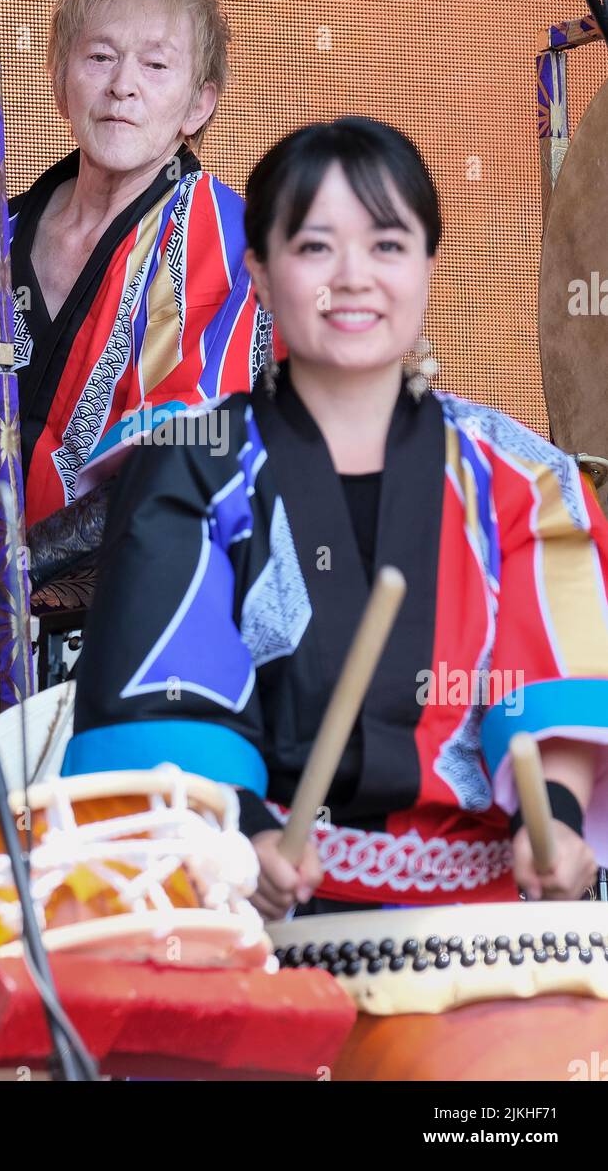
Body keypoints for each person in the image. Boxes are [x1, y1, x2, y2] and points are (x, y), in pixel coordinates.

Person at [62, 117, 608, 919]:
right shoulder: (193, 463)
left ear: (428, 263)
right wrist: (245, 836)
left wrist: (554, 822)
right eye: (316, 247)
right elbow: (166, 688)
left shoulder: (521, 478)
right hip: (255, 903)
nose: (352, 277)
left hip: (488, 920)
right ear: (258, 268)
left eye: (389, 246)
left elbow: (556, 674)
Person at [0, 0, 274, 631]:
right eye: (99, 57)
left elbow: (188, 460)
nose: (123, 85)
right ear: (60, 81)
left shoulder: (222, 235)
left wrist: (16, 561)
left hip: (179, 617)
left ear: (197, 104)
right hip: (22, 623)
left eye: (156, 65)